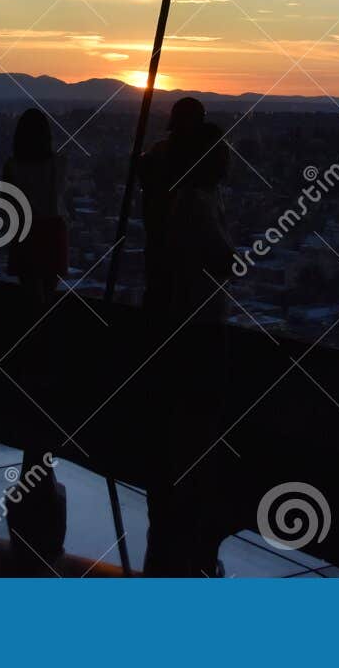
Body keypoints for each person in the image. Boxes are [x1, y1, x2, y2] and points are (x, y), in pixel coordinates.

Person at [146, 120, 233, 576]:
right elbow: (222, 260)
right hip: (199, 318)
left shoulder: (188, 199)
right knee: (198, 406)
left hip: (191, 314)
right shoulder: (197, 204)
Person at [137, 97, 205, 331]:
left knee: (158, 291)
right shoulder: (197, 157)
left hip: (158, 230)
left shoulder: (158, 151)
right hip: (179, 237)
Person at [1, 109, 69, 304]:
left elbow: (7, 200)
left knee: (31, 293)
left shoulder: (11, 166)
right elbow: (61, 191)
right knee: (48, 293)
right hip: (53, 228)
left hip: (25, 230)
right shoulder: (59, 163)